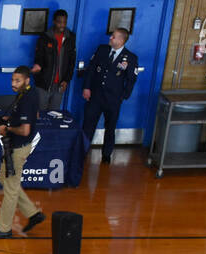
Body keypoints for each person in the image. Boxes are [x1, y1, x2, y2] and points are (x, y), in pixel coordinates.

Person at [0, 67, 45, 240]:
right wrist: (9, 120)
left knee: (10, 190)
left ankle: (4, 229)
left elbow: (25, 131)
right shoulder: (28, 93)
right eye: (12, 80)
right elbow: (35, 114)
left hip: (18, 149)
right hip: (14, 146)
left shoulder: (27, 98)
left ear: (27, 80)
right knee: (4, 180)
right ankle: (34, 214)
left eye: (17, 81)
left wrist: (7, 128)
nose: (13, 83)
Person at [81, 27, 139, 163]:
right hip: (95, 95)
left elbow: (131, 79)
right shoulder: (102, 50)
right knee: (88, 124)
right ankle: (82, 150)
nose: (110, 38)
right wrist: (86, 87)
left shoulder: (130, 57)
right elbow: (91, 70)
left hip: (113, 99)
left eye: (113, 37)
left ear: (121, 40)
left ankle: (106, 154)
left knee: (110, 127)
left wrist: (123, 96)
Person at [32, 10, 76, 112]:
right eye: (59, 22)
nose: (62, 25)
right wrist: (37, 68)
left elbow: (71, 61)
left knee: (54, 114)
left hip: (59, 85)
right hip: (44, 84)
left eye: (64, 22)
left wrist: (66, 80)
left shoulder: (70, 37)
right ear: (54, 22)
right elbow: (38, 58)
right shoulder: (45, 37)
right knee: (40, 113)